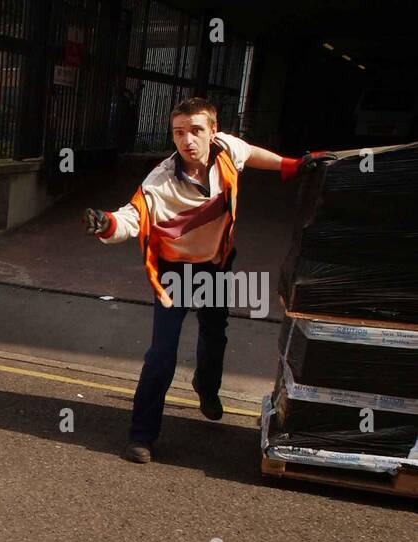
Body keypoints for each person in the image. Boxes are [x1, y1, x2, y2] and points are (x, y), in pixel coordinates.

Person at [83, 96, 333, 464]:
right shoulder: (160, 182)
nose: (187, 140)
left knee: (215, 331)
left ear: (213, 132)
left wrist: (293, 165)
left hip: (214, 263)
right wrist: (107, 223)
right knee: (162, 353)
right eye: (179, 132)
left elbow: (251, 152)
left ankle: (207, 387)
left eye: (196, 130)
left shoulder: (228, 150)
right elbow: (132, 217)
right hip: (174, 271)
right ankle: (141, 435)